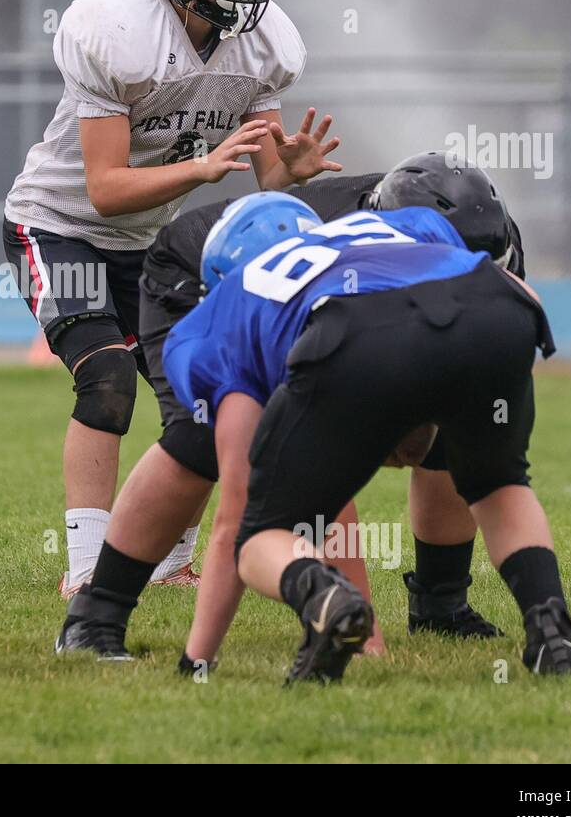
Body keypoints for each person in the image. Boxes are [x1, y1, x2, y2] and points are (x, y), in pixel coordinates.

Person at [1, 0, 341, 598]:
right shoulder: (112, 29)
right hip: (62, 226)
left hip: (155, 243)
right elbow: (105, 189)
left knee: (203, 393)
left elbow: (264, 179)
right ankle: (90, 567)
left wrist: (291, 172)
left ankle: (168, 560)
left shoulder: (265, 44)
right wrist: (204, 171)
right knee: (107, 377)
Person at [57, 155, 519, 659]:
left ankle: (440, 605)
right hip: (203, 278)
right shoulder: (354, 267)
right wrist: (368, 640)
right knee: (201, 439)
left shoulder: (490, 242)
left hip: (306, 304)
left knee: (457, 416)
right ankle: (94, 616)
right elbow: (327, 452)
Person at [159, 193, 571, 682]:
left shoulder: (214, 321)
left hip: (358, 337)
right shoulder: (396, 224)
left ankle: (323, 595)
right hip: (499, 311)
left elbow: (232, 520)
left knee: (260, 534)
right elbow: (479, 282)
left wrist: (195, 660)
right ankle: (554, 634)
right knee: (499, 486)